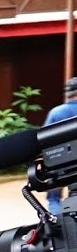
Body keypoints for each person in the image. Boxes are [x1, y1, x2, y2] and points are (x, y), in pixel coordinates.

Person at [42, 76, 77, 214]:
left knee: (54, 198)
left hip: (58, 162)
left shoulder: (56, 113)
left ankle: (57, 226)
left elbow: (44, 139)